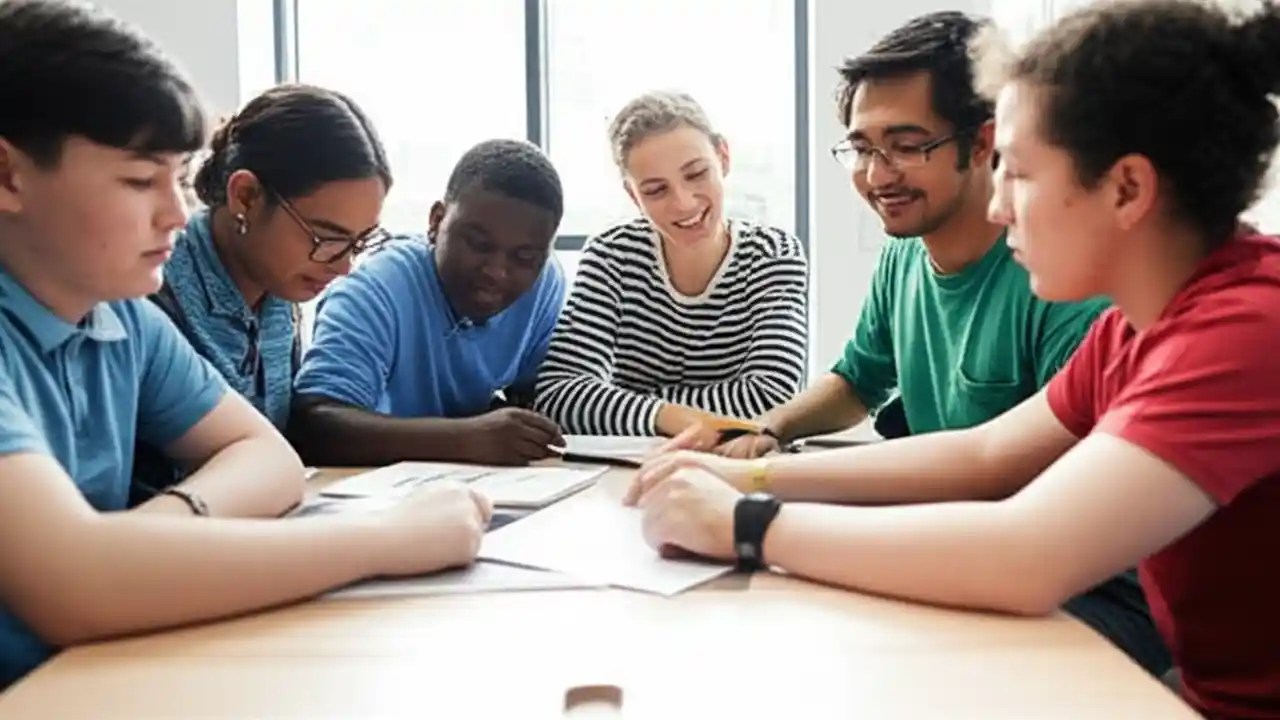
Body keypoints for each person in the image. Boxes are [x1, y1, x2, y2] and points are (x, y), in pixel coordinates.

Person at [628, 1, 1280, 716]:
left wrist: (746, 523)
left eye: (1021, 173)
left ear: (1126, 189)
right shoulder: (1136, 326)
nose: (999, 207)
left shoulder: (1246, 330)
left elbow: (1027, 554)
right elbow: (983, 453)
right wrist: (746, 471)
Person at [0, 0, 488, 688]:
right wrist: (385, 540)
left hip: (95, 673)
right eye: (141, 181)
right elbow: (70, 583)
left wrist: (153, 537)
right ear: (8, 176)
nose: (175, 213)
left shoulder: (121, 316)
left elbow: (270, 455)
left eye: (175, 178)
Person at [700, 12, 1107, 460]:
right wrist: (763, 430)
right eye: (861, 149)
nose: (877, 175)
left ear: (980, 143)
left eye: (907, 146)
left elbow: (1043, 469)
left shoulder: (1062, 282)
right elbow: (858, 381)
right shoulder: (903, 255)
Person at [131, 84, 392, 502]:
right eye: (326, 237)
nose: (345, 266)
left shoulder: (280, 292)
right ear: (246, 197)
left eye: (360, 242)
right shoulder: (150, 290)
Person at [534, 91, 808, 440]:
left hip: (733, 464)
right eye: (655, 190)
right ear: (633, 196)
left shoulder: (773, 254)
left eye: (696, 174)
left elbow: (773, 396)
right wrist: (669, 416)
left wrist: (627, 407)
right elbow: (560, 396)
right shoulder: (611, 255)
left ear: (723, 157)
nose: (683, 203)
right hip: (629, 467)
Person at [290, 139, 568, 467]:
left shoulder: (545, 284)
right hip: (373, 495)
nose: (496, 271)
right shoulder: (377, 289)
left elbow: (536, 395)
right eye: (478, 244)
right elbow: (313, 425)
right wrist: (468, 439)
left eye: (525, 257)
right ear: (436, 221)